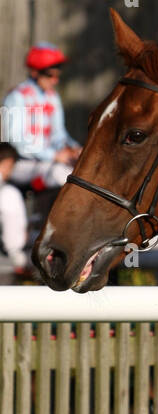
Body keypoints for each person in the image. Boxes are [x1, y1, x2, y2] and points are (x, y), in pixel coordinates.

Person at [2, 43, 81, 190]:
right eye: (50, 75)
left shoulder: (53, 97)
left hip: (47, 163)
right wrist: (54, 156)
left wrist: (74, 149)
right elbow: (16, 142)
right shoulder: (16, 97)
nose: (55, 80)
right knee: (62, 175)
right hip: (19, 163)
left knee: (82, 173)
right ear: (34, 72)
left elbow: (59, 135)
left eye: (57, 75)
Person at [0, 143, 28, 280]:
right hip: (4, 266)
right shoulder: (9, 193)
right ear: (8, 163)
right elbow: (12, 241)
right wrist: (20, 259)